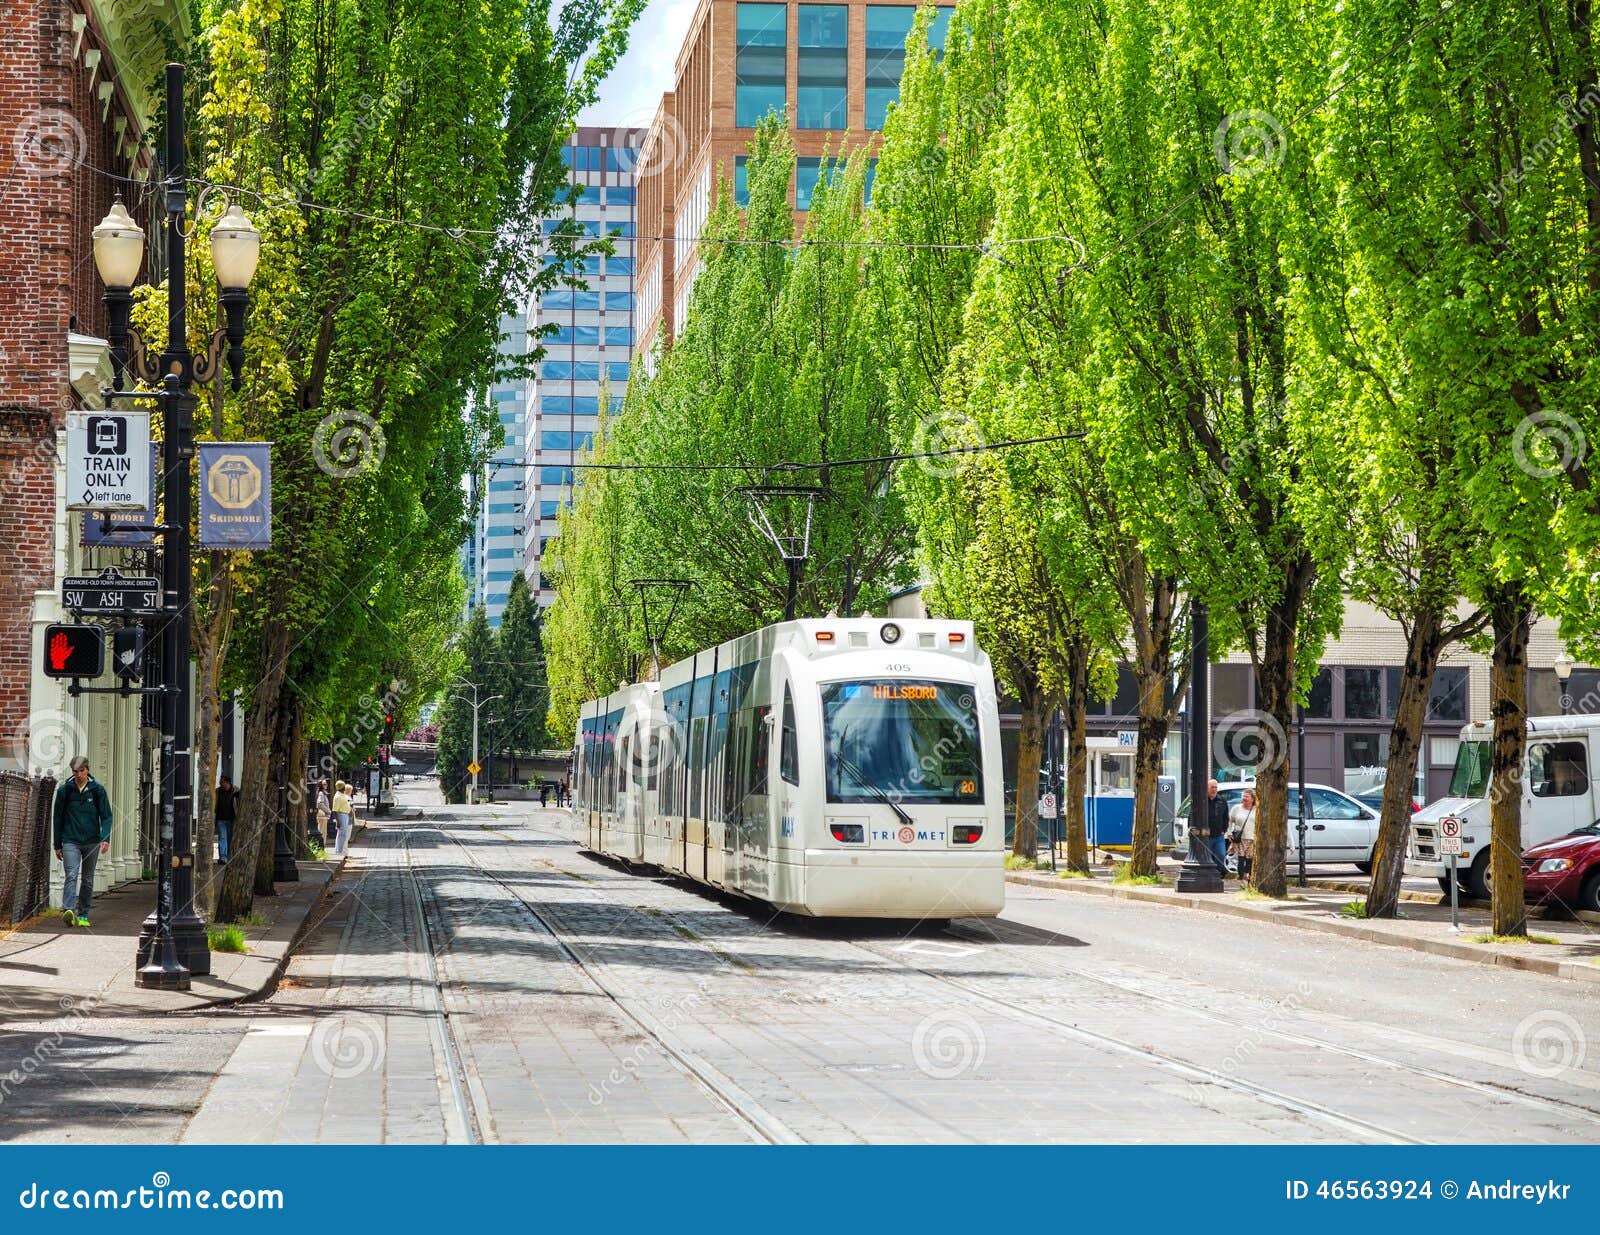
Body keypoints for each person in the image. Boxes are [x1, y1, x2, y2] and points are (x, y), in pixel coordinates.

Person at [53, 756, 112, 928]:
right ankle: (69, 910)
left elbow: (107, 816)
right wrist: (57, 844)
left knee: (87, 879)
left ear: (88, 769)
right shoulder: (65, 790)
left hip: (92, 841)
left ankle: (83, 913)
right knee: (71, 875)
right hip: (70, 840)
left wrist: (105, 838)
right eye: (75, 771)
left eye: (81, 771)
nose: (78, 775)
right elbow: (58, 818)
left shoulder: (97, 790)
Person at [1229, 787, 1257, 884]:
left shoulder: (1257, 810)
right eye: (1243, 796)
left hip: (1252, 838)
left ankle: (1248, 877)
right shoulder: (1236, 808)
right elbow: (1230, 820)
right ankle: (1242, 879)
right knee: (1240, 858)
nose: (1244, 798)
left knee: (1249, 859)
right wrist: (1229, 832)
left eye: (1247, 796)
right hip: (1240, 838)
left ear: (1252, 799)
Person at [1205, 778, 1231, 875]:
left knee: (1221, 855)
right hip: (1206, 835)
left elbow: (1226, 817)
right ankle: (1209, 874)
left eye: (1216, 787)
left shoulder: (1222, 801)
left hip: (1219, 835)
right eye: (1212, 787)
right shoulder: (1202, 800)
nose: (1214, 789)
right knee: (1208, 856)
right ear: (1207, 788)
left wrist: (1224, 829)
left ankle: (1218, 873)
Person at [215, 774, 239, 862]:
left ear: (227, 782)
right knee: (222, 837)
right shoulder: (218, 791)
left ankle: (228, 856)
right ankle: (223, 857)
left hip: (231, 819)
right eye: (220, 782)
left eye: (222, 782)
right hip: (220, 819)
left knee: (229, 838)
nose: (221, 784)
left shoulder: (236, 791)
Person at [331, 780, 353, 857]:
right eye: (343, 786)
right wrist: (337, 821)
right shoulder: (337, 797)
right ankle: (339, 851)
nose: (345, 788)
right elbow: (334, 810)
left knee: (343, 834)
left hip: (345, 815)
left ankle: (339, 850)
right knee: (342, 834)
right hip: (341, 815)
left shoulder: (342, 795)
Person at [314, 779, 331, 845]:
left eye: (326, 783)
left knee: (323, 831)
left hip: (322, 815)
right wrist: (328, 811)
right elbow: (319, 803)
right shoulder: (321, 793)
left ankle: (322, 845)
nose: (326, 785)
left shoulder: (323, 793)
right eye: (324, 784)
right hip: (322, 815)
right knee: (322, 831)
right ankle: (321, 846)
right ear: (320, 785)